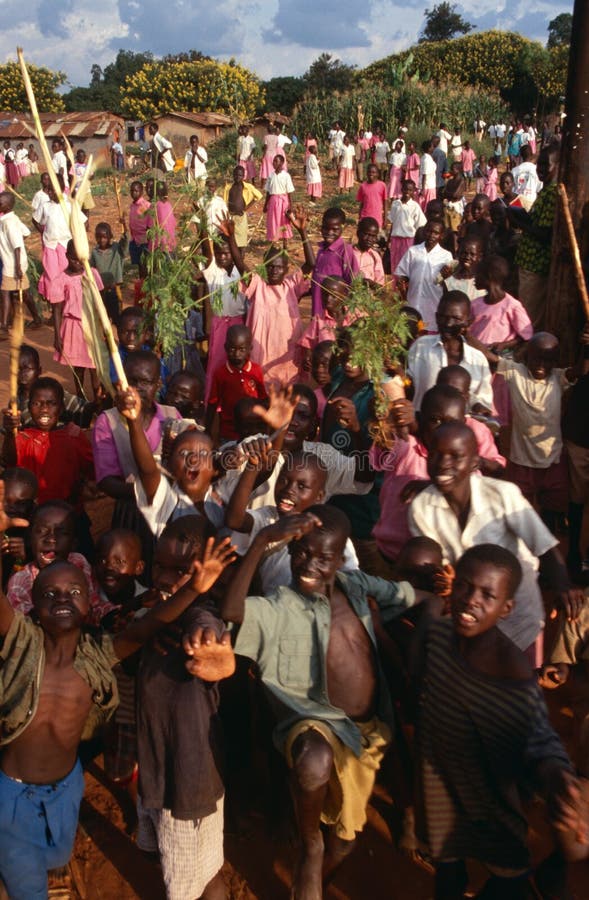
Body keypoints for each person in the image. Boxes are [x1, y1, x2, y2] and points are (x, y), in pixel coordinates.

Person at [0, 482, 234, 900]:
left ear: (92, 604)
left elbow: (147, 625)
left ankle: (54, 865)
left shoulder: (98, 654)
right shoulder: (20, 643)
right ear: (31, 605)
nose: (62, 598)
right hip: (14, 791)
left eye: (75, 592)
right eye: (49, 593)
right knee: (23, 877)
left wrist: (196, 590)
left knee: (57, 847)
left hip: (67, 786)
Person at [210, 505, 429, 899]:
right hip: (313, 721)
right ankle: (310, 843)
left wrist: (443, 599)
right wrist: (262, 541)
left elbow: (410, 595)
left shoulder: (357, 587)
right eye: (300, 553)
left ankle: (313, 877)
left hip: (366, 733)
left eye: (323, 557)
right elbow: (231, 611)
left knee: (345, 842)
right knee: (314, 760)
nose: (308, 564)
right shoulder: (281, 605)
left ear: (342, 557)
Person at [414, 543, 586, 900]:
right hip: (439, 787)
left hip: (490, 802)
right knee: (447, 873)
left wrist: (557, 777)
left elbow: (540, 737)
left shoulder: (511, 671)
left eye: (487, 595)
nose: (471, 600)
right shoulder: (438, 635)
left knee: (507, 880)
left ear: (506, 609)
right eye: (464, 585)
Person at [408, 422, 584, 657]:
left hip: (519, 611)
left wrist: (563, 586)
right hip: (466, 616)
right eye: (436, 455)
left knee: (520, 677)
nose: (443, 464)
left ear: (474, 463)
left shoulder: (502, 494)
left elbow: (542, 543)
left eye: (455, 456)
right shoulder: (421, 508)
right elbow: (436, 570)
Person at [134, 517, 237, 900]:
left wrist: (217, 655)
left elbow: (209, 635)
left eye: (182, 571)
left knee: (201, 881)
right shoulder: (155, 608)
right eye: (160, 565)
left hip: (187, 789)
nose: (164, 577)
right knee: (176, 865)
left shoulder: (198, 615)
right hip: (158, 774)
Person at [370, 383, 504, 571]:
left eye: (453, 422)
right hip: (392, 554)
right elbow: (385, 446)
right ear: (420, 419)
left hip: (440, 564)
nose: (444, 429)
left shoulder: (466, 464)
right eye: (435, 420)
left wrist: (429, 487)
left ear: (464, 424)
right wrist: (392, 421)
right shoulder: (406, 446)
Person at [114, 384, 224, 539]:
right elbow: (148, 469)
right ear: (169, 465)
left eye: (203, 453)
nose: (193, 459)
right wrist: (134, 421)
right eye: (184, 452)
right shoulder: (166, 503)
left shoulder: (219, 508)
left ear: (215, 469)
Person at [219, 209, 314, 387]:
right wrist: (231, 238)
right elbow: (240, 265)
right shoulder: (257, 285)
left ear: (286, 269)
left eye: (279, 267)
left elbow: (311, 264)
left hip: (286, 354)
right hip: (260, 354)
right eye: (270, 267)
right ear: (264, 268)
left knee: (287, 394)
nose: (274, 271)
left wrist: (302, 232)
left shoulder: (291, 286)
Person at [4, 499, 109, 623]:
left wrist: (111, 614)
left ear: (73, 543)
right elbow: (23, 624)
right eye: (42, 531)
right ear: (30, 539)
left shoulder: (79, 563)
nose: (51, 538)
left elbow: (94, 604)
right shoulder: (21, 582)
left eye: (62, 532)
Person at [2, 375, 94, 509]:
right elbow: (9, 461)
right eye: (37, 403)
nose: (44, 409)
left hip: (67, 512)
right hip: (31, 514)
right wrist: (10, 433)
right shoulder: (23, 438)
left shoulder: (74, 436)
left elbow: (91, 471)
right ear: (28, 406)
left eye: (51, 403)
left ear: (62, 408)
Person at [406, 291, 493, 412]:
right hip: (421, 425)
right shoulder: (421, 346)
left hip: (459, 429)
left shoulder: (477, 359)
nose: (448, 323)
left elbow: (483, 401)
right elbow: (408, 385)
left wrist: (478, 407)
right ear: (436, 317)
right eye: (443, 317)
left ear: (468, 322)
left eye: (456, 319)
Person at [49, 240, 102, 397]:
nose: (78, 263)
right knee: (78, 367)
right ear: (66, 256)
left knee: (95, 366)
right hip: (72, 327)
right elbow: (57, 309)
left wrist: (103, 327)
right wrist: (57, 335)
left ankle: (98, 399)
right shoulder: (60, 280)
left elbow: (100, 301)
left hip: (91, 326)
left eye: (81, 259)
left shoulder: (91, 274)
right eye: (74, 259)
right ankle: (81, 399)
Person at [197, 233, 246, 401]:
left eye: (226, 253)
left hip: (238, 325)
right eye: (219, 253)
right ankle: (214, 400)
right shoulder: (213, 274)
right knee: (217, 363)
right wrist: (203, 224)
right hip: (219, 327)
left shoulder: (241, 274)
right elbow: (206, 251)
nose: (222, 256)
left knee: (238, 364)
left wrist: (231, 238)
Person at [206, 324, 267, 442]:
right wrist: (208, 429)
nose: (237, 354)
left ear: (250, 348)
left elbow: (263, 398)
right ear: (226, 347)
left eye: (242, 349)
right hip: (229, 431)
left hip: (253, 430)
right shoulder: (220, 373)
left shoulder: (256, 371)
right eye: (232, 349)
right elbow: (213, 402)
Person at [395, 220, 454, 331]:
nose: (431, 235)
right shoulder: (413, 251)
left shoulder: (446, 256)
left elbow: (447, 282)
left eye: (436, 233)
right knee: (411, 332)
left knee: (428, 331)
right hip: (413, 302)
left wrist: (445, 276)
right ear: (424, 232)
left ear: (441, 235)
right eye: (429, 231)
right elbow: (403, 273)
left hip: (432, 305)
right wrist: (402, 282)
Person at [35, 181, 86, 307]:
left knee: (66, 274)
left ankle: (69, 305)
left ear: (62, 189)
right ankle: (55, 307)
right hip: (50, 246)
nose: (49, 193)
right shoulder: (45, 206)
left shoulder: (69, 205)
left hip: (65, 246)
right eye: (48, 190)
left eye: (52, 190)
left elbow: (83, 221)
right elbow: (35, 219)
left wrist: (77, 237)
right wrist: (42, 232)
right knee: (52, 277)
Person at [0, 191, 43, 333]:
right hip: (11, 262)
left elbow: (17, 246)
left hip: (13, 264)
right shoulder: (11, 219)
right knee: (22, 294)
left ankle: (5, 325)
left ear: (7, 206)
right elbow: (26, 233)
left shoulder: (9, 223)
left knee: (7, 292)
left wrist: (18, 266)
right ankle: (35, 318)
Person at [311, 207, 359, 317]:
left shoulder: (345, 251)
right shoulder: (321, 250)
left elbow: (353, 282)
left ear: (342, 228)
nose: (329, 232)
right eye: (326, 228)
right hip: (318, 307)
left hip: (335, 312)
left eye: (335, 229)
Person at [90, 220, 128, 326]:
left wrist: (124, 227)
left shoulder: (116, 249)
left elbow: (125, 244)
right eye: (99, 237)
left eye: (104, 237)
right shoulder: (94, 252)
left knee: (117, 316)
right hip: (101, 290)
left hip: (114, 288)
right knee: (103, 316)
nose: (102, 240)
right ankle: (107, 340)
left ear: (109, 236)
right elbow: (91, 269)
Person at [387, 179, 426, 275]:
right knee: (395, 261)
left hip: (408, 239)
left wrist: (418, 241)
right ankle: (395, 284)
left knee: (406, 262)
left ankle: (405, 284)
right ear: (402, 189)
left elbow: (420, 225)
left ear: (413, 192)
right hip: (395, 238)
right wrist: (389, 238)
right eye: (405, 189)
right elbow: (393, 221)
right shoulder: (395, 204)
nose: (407, 192)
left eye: (410, 190)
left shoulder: (415, 206)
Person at [221, 165, 262, 248]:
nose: (237, 177)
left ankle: (241, 258)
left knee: (241, 242)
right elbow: (224, 202)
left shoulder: (247, 187)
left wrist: (247, 206)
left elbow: (259, 195)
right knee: (230, 240)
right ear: (233, 175)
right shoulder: (228, 187)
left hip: (241, 217)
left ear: (243, 176)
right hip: (230, 216)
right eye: (235, 175)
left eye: (240, 175)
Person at [264, 154, 294, 242]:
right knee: (273, 221)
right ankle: (273, 240)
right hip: (273, 201)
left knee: (283, 221)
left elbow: (289, 192)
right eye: (273, 161)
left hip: (283, 202)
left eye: (276, 161)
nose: (273, 163)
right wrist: (265, 204)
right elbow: (268, 192)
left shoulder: (286, 176)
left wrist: (290, 206)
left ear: (281, 163)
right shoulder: (271, 175)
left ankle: (285, 242)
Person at [442, 236, 484, 301]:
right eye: (464, 253)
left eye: (472, 254)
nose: (467, 257)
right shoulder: (449, 281)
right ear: (458, 254)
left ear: (480, 257)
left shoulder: (483, 283)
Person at [128, 180, 151, 277]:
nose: (134, 193)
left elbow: (149, 222)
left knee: (144, 263)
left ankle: (146, 282)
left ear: (141, 192)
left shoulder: (145, 205)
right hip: (135, 238)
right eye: (132, 191)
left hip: (143, 239)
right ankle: (142, 281)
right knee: (139, 264)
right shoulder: (132, 205)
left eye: (136, 191)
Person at [353, 217, 385, 285]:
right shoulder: (348, 252)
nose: (369, 239)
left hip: (368, 294)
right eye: (367, 234)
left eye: (373, 236)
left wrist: (370, 283)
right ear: (358, 233)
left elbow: (380, 283)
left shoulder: (375, 257)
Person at [356, 164, 387, 229]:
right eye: (369, 172)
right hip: (365, 216)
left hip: (377, 217)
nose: (371, 174)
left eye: (373, 172)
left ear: (378, 174)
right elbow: (362, 203)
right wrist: (359, 217)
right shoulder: (363, 186)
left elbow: (385, 204)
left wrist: (385, 219)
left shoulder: (382, 185)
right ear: (366, 173)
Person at [419, 140, 437, 211]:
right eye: (432, 146)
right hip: (428, 186)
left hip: (428, 185)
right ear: (429, 148)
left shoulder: (426, 157)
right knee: (429, 207)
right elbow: (424, 174)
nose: (433, 148)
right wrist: (423, 189)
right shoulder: (427, 159)